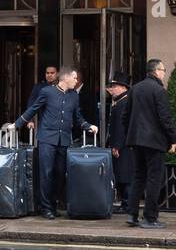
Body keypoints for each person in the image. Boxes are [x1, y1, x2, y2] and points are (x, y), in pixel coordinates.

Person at [15, 66, 96, 219]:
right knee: (46, 173)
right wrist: (17, 124)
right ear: (65, 78)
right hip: (46, 139)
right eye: (74, 78)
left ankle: (52, 204)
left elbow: (78, 118)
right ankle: (45, 208)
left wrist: (88, 126)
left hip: (64, 140)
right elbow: (33, 109)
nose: (76, 81)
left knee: (59, 174)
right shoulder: (47, 92)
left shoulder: (74, 96)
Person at [125, 58, 176, 229]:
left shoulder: (134, 89)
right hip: (154, 141)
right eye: (163, 70)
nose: (164, 73)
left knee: (138, 176)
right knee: (154, 179)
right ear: (155, 71)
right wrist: (172, 139)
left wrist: (130, 135)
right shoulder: (159, 90)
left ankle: (132, 215)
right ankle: (150, 218)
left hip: (136, 141)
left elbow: (125, 116)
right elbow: (165, 118)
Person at [105, 73, 133, 211]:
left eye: (115, 86)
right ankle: (125, 203)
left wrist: (116, 146)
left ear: (123, 88)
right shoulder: (121, 101)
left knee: (125, 175)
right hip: (122, 145)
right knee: (121, 174)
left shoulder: (124, 103)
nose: (112, 89)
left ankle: (127, 204)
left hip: (124, 146)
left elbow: (121, 128)